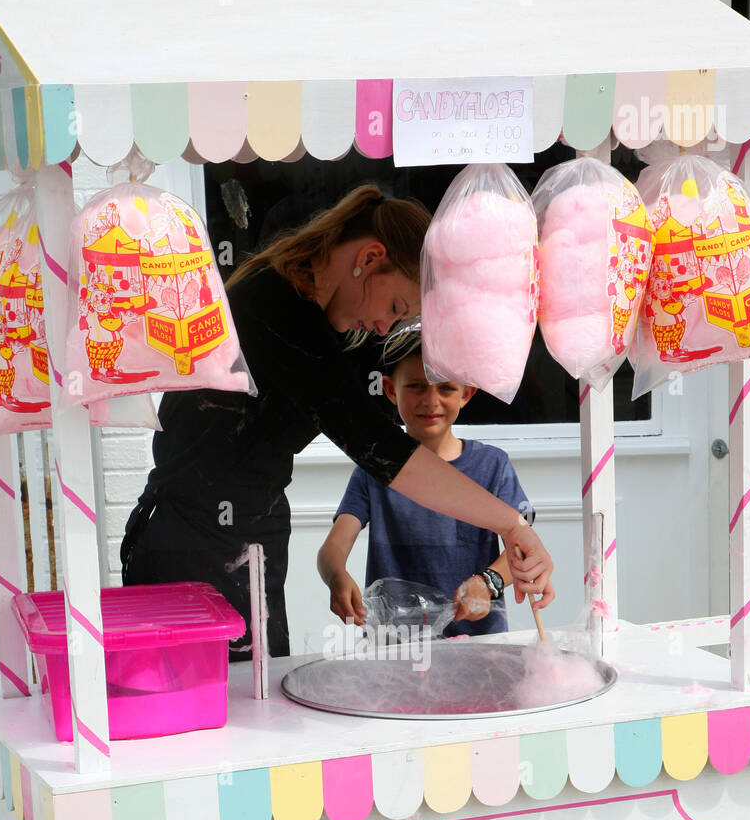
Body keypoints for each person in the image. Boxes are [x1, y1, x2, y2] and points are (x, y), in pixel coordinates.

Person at [121, 185, 554, 657]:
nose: (386, 327)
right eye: (394, 308)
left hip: (246, 538)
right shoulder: (278, 312)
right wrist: (513, 525)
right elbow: (386, 453)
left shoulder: (306, 318)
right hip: (195, 551)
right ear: (370, 258)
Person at [318, 334, 534, 636]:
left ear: (467, 393)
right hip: (395, 652)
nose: (431, 401)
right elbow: (333, 546)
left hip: (477, 647)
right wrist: (336, 576)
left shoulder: (493, 466)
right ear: (391, 390)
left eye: (445, 388)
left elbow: (524, 548)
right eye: (416, 386)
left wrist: (488, 581)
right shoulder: (373, 470)